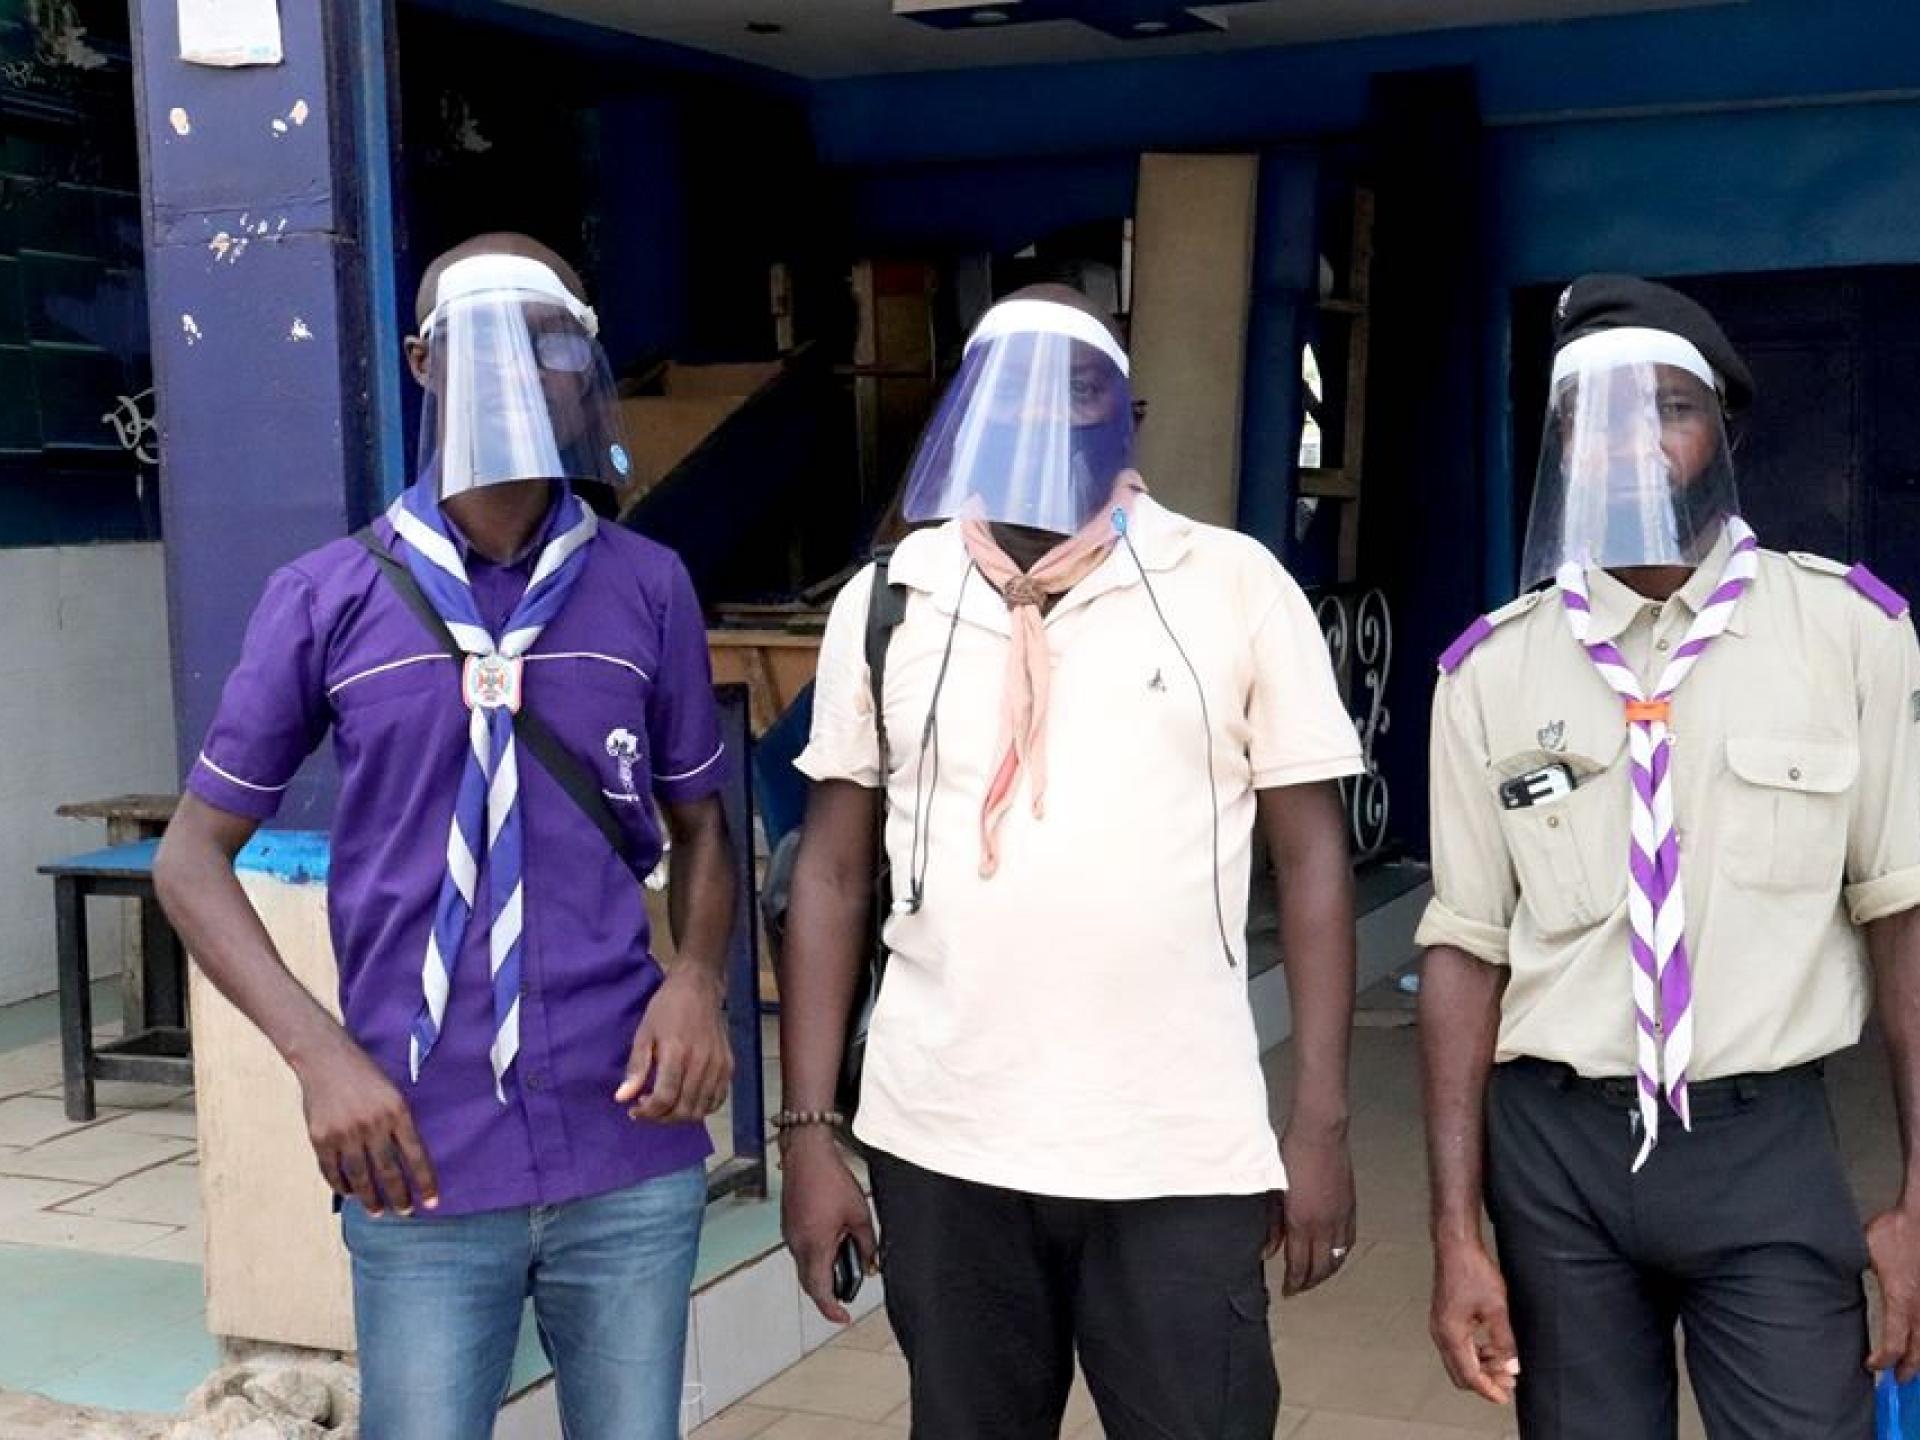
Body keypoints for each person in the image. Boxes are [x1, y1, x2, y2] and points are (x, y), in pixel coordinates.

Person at [155, 233, 736, 1440]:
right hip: (417, 1152)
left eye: (550, 342)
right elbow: (190, 859)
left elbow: (702, 824)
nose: (522, 370)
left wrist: (695, 977)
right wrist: (319, 1058)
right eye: (486, 340)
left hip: (627, 1142)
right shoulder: (328, 597)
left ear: (585, 370)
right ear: (424, 364)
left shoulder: (648, 587)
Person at [777, 284, 1365, 1439]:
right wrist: (807, 1136)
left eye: (1078, 391)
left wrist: (1320, 1123)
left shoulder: (1233, 585)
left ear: (1126, 415)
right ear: (968, 414)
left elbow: (1311, 862)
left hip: (1175, 1144)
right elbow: (832, 875)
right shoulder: (891, 600)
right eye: (1012, 393)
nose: (1042, 420)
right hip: (944, 1141)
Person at [1418, 273, 1920, 1437]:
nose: (1634, 446)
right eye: (1597, 421)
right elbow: (1465, 949)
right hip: (1556, 1158)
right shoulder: (1491, 670)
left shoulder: (1851, 633)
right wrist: (1454, 1232)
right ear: (1563, 451)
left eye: (1671, 411)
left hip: (1763, 1140)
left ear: (1725, 433)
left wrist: (1916, 1195)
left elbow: (1903, 916)